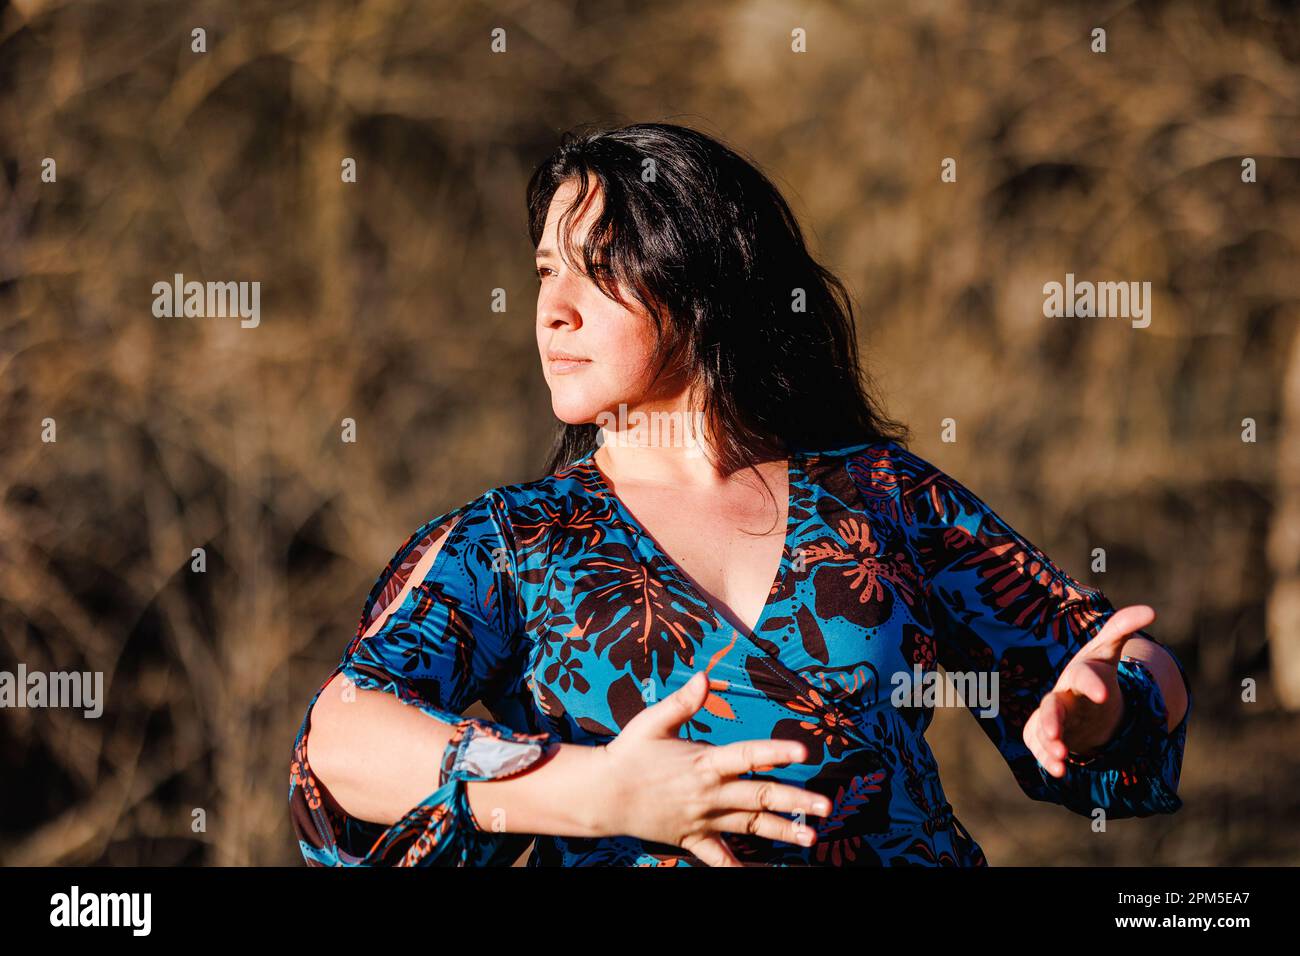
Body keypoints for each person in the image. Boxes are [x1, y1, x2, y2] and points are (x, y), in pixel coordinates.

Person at [288, 122, 1191, 867]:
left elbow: (1116, 658)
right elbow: (342, 735)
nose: (551, 308)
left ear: (703, 278)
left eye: (595, 265)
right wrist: (583, 789)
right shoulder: (513, 541)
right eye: (542, 271)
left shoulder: (884, 500)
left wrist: (1108, 702)